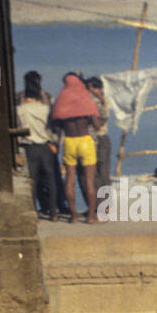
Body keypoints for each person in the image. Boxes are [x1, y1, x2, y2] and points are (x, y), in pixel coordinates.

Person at [49, 72, 102, 223]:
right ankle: (92, 217)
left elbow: (55, 125)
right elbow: (97, 125)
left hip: (69, 141)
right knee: (89, 181)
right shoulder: (85, 98)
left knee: (69, 179)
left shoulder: (62, 99)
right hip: (85, 141)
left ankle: (73, 216)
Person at [14, 71, 59, 219]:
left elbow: (17, 128)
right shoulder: (45, 109)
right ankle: (53, 212)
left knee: (31, 181)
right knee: (50, 180)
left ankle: (33, 211)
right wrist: (53, 142)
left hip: (28, 147)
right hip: (45, 147)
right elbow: (52, 127)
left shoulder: (19, 110)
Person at [86, 76, 111, 199]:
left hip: (100, 138)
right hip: (99, 138)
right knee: (99, 173)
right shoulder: (98, 100)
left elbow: (102, 120)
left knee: (101, 173)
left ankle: (104, 206)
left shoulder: (101, 101)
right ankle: (100, 204)